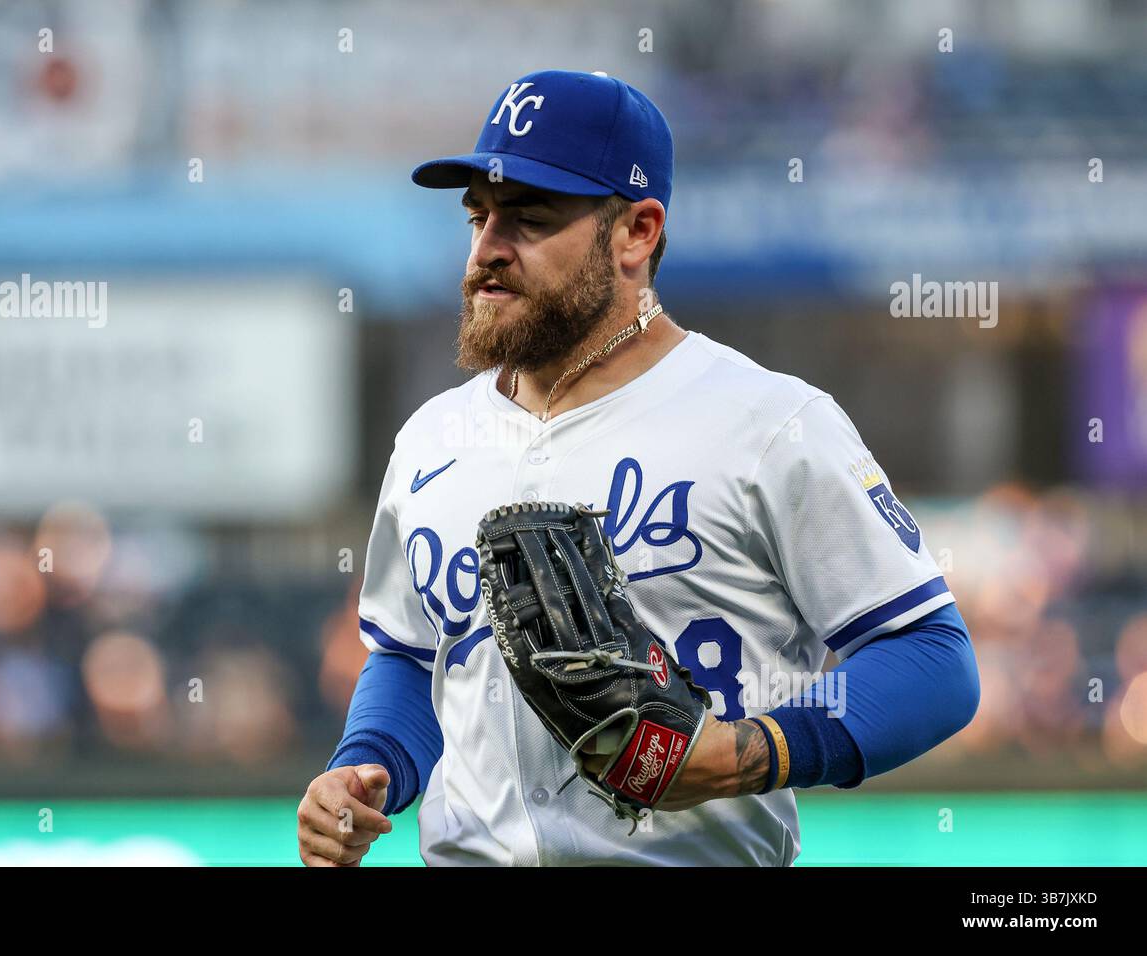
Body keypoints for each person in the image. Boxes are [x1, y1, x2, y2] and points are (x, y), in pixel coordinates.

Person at [298, 69, 979, 867]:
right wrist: (364, 764)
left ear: (637, 232)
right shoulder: (431, 439)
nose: (487, 251)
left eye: (529, 219)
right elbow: (412, 658)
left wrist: (753, 749)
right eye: (478, 217)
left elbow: (932, 661)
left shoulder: (769, 423)